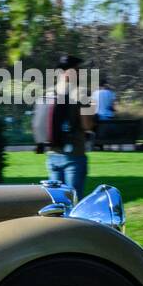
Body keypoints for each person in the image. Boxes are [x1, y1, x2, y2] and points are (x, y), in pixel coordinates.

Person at [45, 54, 89, 198]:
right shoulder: (82, 93)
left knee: (57, 202)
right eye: (79, 69)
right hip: (74, 154)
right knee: (74, 200)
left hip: (52, 154)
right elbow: (87, 124)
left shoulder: (49, 92)